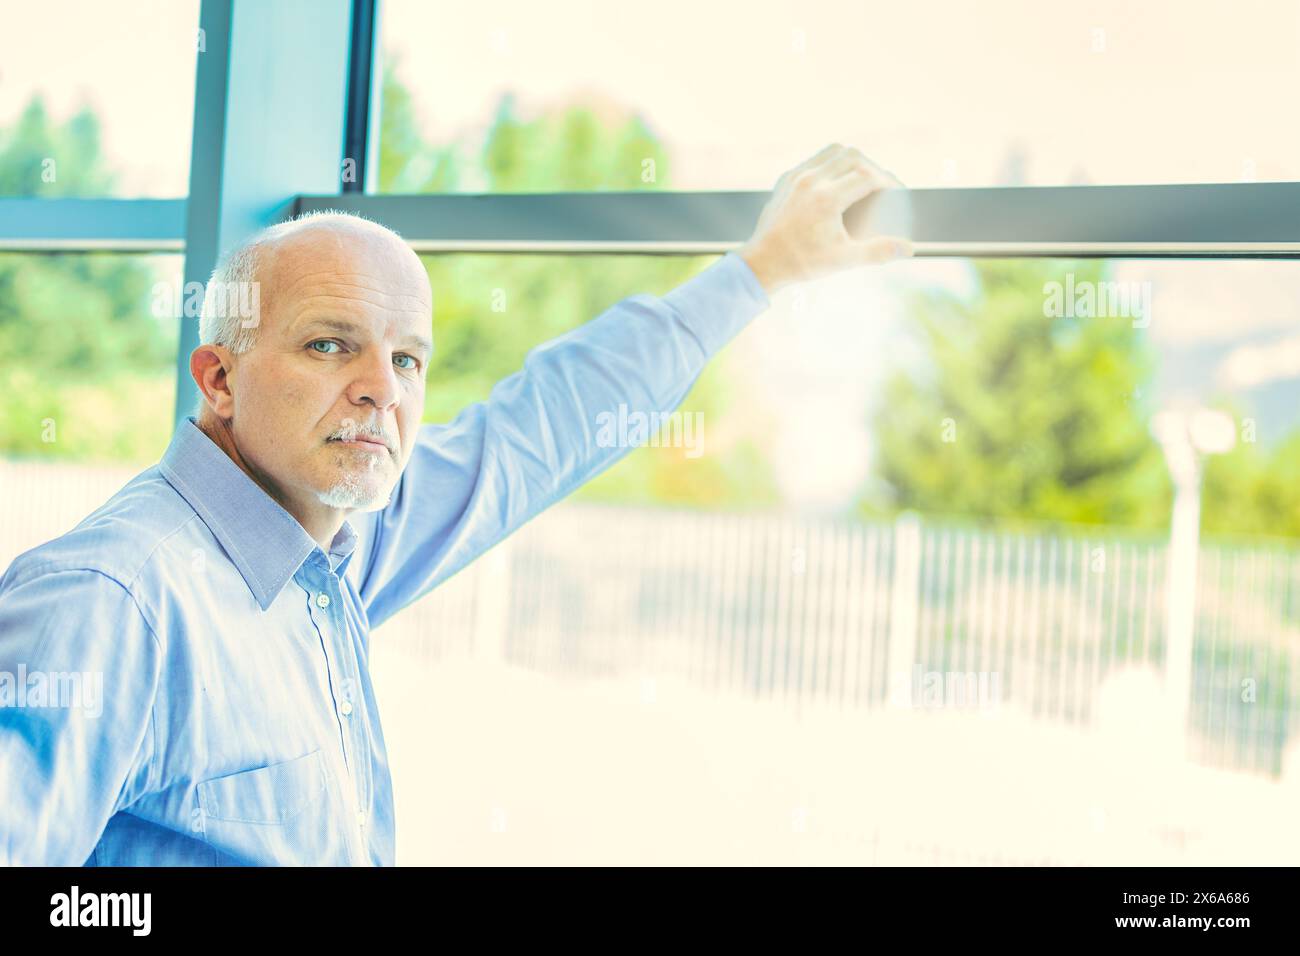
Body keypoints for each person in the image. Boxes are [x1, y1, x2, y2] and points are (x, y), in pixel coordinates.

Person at [0, 144, 911, 865]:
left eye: (406, 360)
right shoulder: (112, 603)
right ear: (220, 378)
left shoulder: (330, 558)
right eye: (329, 345)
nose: (380, 392)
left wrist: (756, 272)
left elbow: (537, 431)